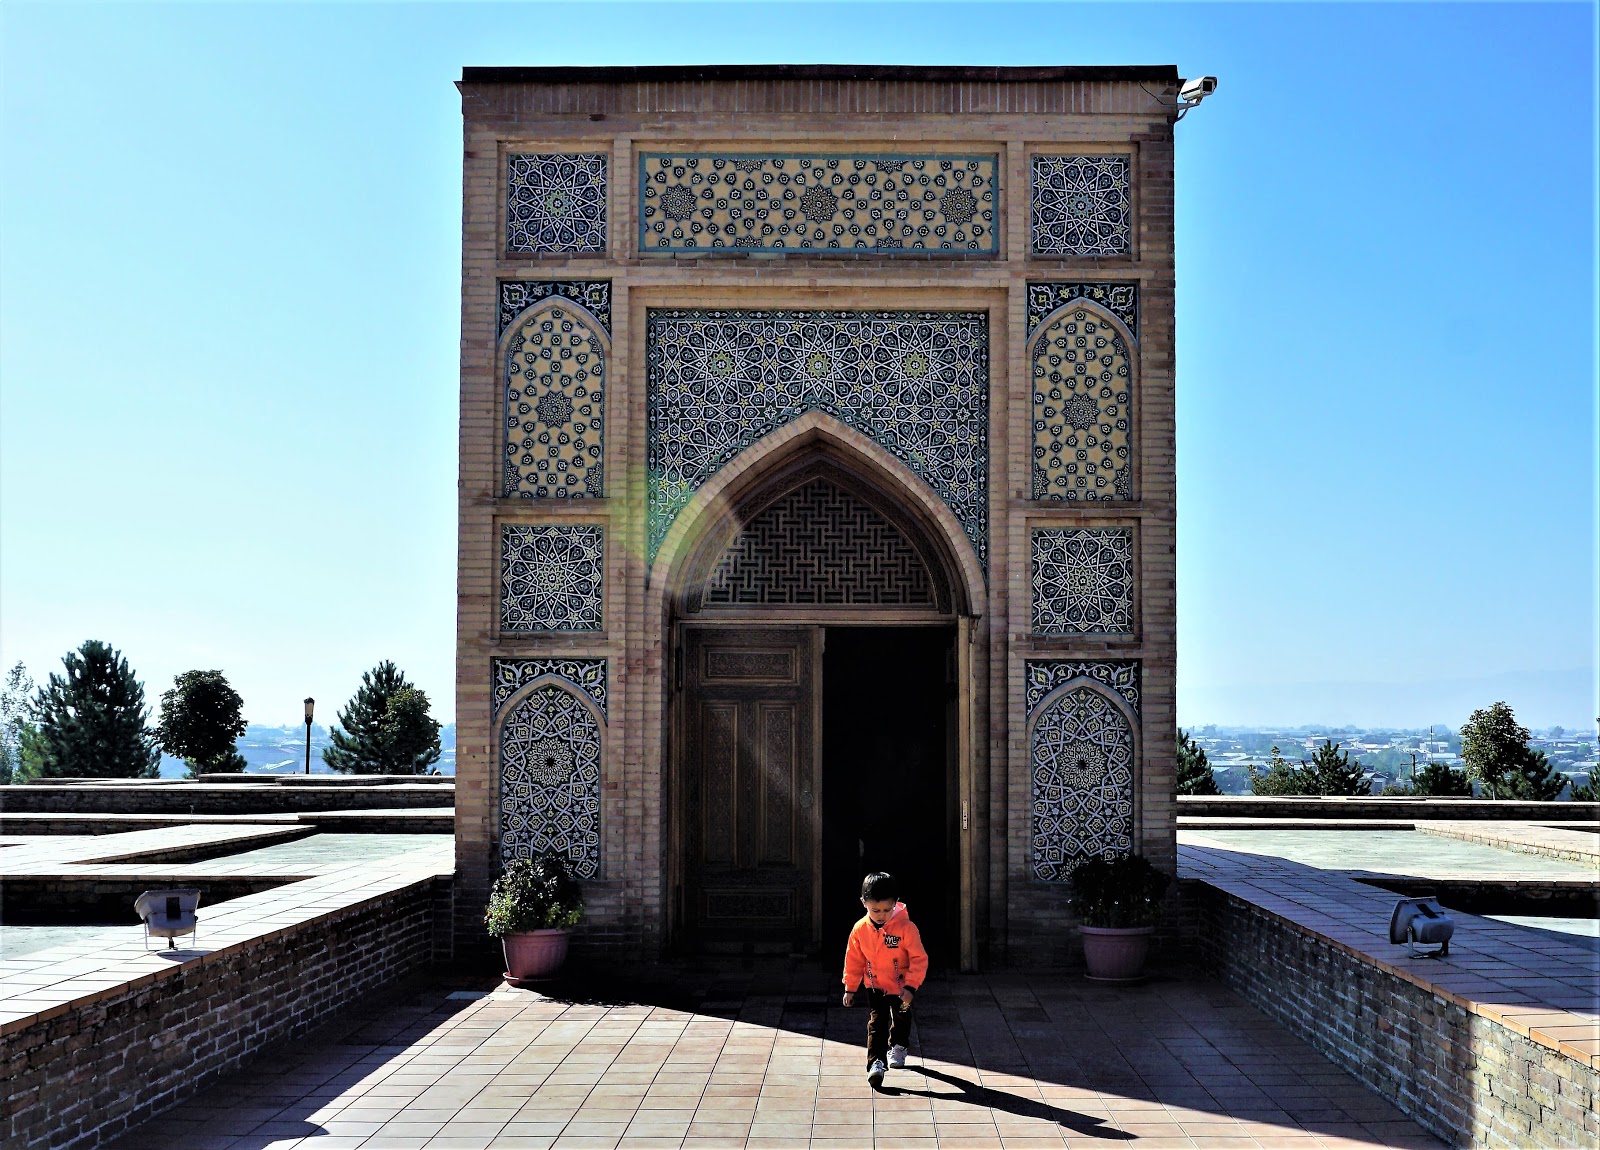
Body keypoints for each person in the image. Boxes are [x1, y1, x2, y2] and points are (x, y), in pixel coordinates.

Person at [841, 871, 928, 1088]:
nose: (881, 915)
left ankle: (898, 1045)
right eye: (875, 910)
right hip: (875, 984)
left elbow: (919, 959)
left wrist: (911, 986)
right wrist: (850, 988)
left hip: (902, 986)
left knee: (902, 1016)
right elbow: (853, 959)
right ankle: (876, 1063)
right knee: (877, 1022)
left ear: (895, 904)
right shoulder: (860, 929)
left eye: (887, 910)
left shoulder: (907, 928)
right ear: (864, 903)